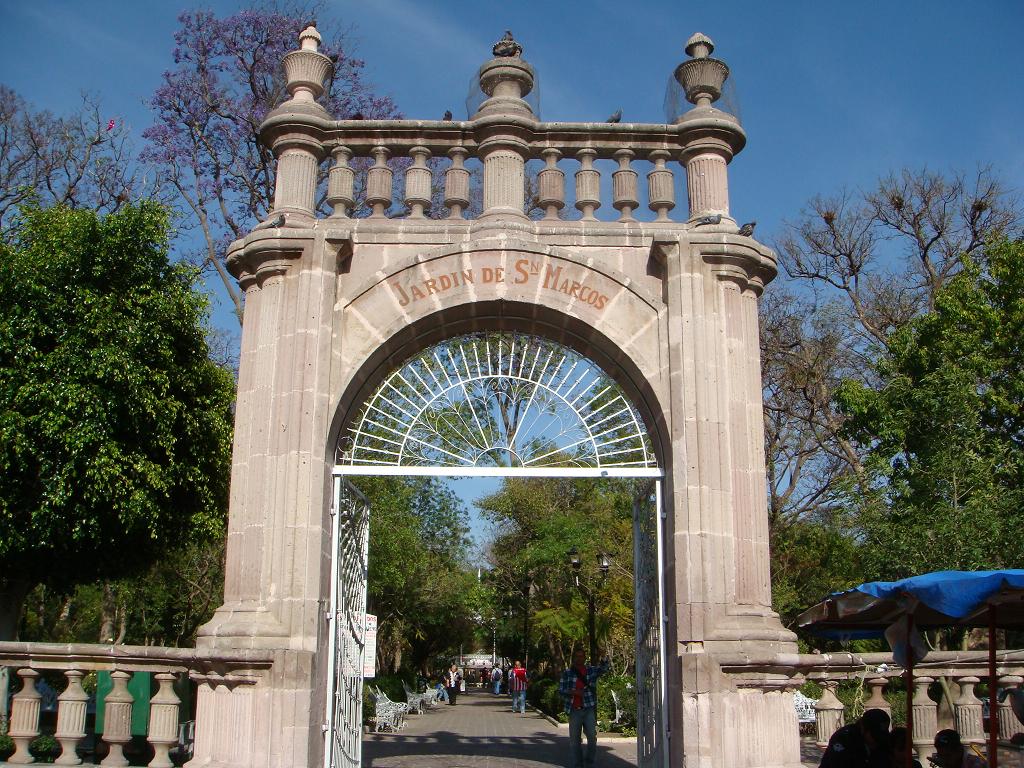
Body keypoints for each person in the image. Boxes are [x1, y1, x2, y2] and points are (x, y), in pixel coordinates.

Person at [559, 649, 609, 768]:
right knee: (574, 740)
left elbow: (604, 669)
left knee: (592, 736)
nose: (579, 658)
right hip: (574, 710)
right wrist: (574, 692)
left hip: (588, 708)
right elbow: (561, 690)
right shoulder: (567, 673)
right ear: (573, 658)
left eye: (581, 656)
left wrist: (603, 657)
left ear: (585, 658)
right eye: (577, 656)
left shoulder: (591, 670)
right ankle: (578, 764)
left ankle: (589, 762)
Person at [818, 707, 890, 768]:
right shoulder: (844, 738)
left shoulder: (882, 743)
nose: (877, 742)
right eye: (875, 736)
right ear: (863, 728)